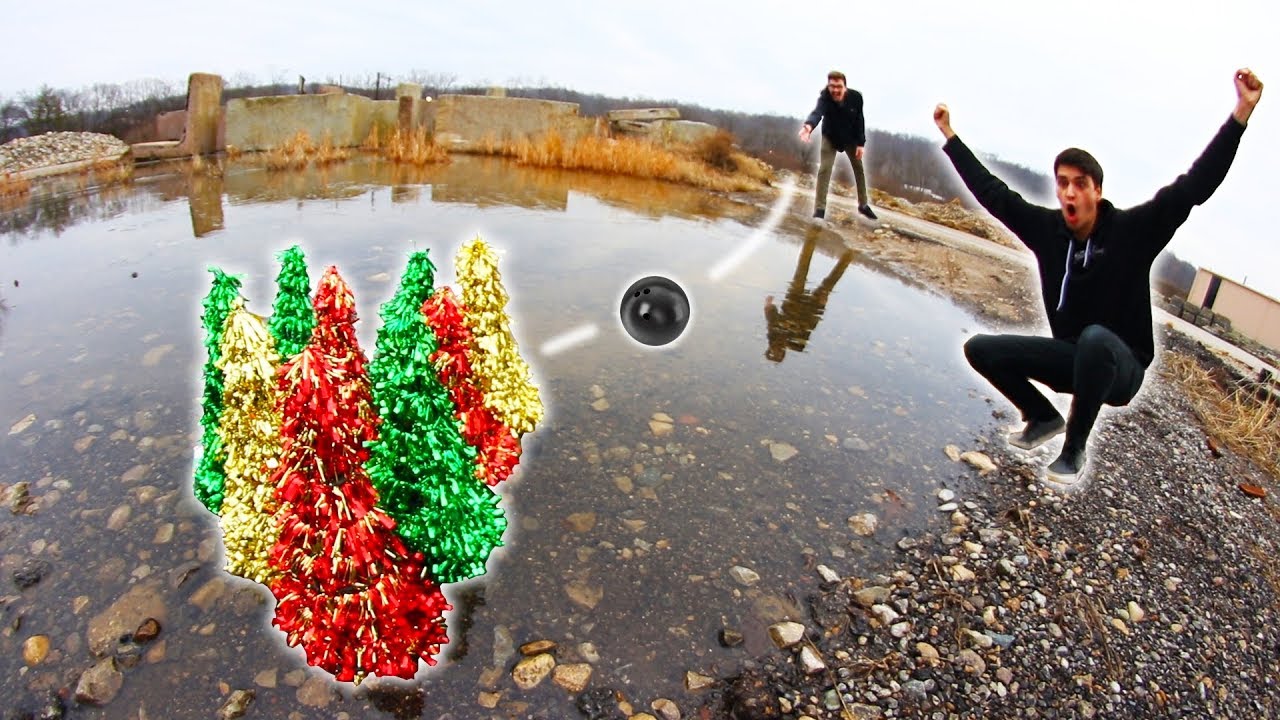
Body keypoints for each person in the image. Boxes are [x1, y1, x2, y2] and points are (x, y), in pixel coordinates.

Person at [932, 68, 1263, 486]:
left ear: (1096, 191)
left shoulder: (1133, 232)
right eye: (1063, 184)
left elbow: (1193, 187)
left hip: (1122, 369)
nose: (1069, 192)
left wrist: (1240, 114)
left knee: (1095, 338)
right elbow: (995, 194)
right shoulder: (1048, 232)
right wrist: (950, 137)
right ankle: (1040, 416)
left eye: (1080, 183)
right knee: (981, 348)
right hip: (1074, 357)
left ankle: (1074, 449)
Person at [765, 228, 855, 362]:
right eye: (779, 352)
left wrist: (769, 304)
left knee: (802, 269)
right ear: (783, 353)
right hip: (811, 308)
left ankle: (812, 235)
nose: (777, 349)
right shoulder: (797, 344)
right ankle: (851, 253)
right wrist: (821, 306)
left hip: (793, 300)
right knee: (830, 282)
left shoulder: (773, 333)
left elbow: (771, 316)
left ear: (770, 347)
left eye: (773, 350)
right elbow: (811, 326)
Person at [800, 70, 877, 221]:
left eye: (839, 87)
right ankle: (819, 210)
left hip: (850, 137)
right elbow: (817, 112)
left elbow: (860, 120)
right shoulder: (825, 97)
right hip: (830, 136)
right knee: (825, 169)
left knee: (859, 168)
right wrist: (808, 126)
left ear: (845, 87)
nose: (835, 90)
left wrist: (860, 143)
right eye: (832, 86)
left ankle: (863, 205)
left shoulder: (856, 97)